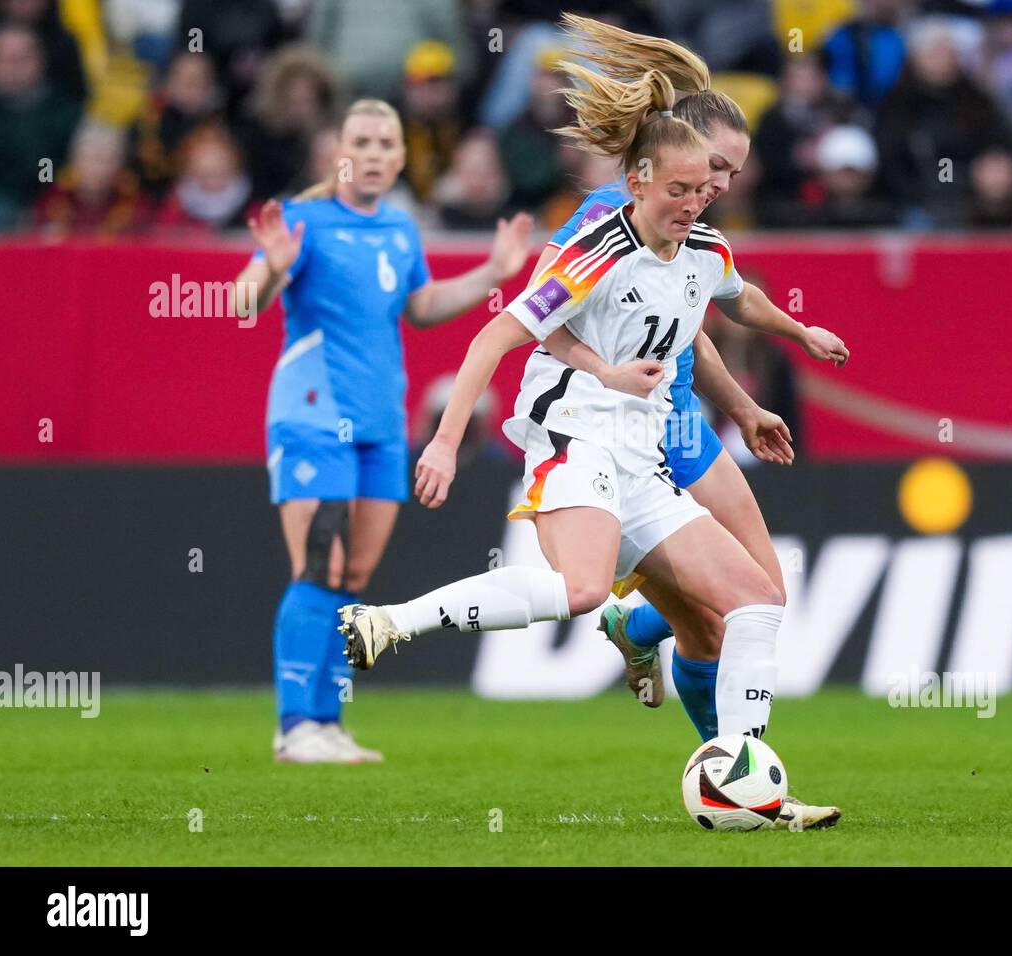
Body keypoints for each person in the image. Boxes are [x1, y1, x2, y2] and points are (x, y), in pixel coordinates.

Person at [338, 55, 840, 829]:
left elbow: (735, 301)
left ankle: (746, 782)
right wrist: (443, 442)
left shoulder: (704, 247)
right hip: (576, 434)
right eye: (686, 185)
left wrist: (799, 333)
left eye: (707, 187)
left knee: (757, 603)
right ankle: (391, 622)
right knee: (579, 589)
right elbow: (498, 336)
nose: (701, 198)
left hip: (647, 451)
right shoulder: (595, 245)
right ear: (639, 180)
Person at [522, 16, 848, 752]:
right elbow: (540, 319)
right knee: (729, 612)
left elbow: (684, 325)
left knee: (758, 599)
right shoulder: (611, 218)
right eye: (720, 168)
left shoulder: (685, 222)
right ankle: (734, 767)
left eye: (733, 172)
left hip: (682, 425)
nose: (728, 185)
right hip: (627, 434)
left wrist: (741, 404)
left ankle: (637, 629)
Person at [234, 98, 533, 763]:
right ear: (336, 152)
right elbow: (240, 299)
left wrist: (491, 273)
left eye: (384, 144)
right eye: (360, 141)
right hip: (312, 414)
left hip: (380, 425)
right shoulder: (303, 222)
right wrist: (274, 266)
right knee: (320, 564)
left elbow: (421, 307)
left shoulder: (399, 229)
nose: (372, 154)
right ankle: (294, 727)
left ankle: (329, 723)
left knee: (355, 573)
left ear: (401, 158)